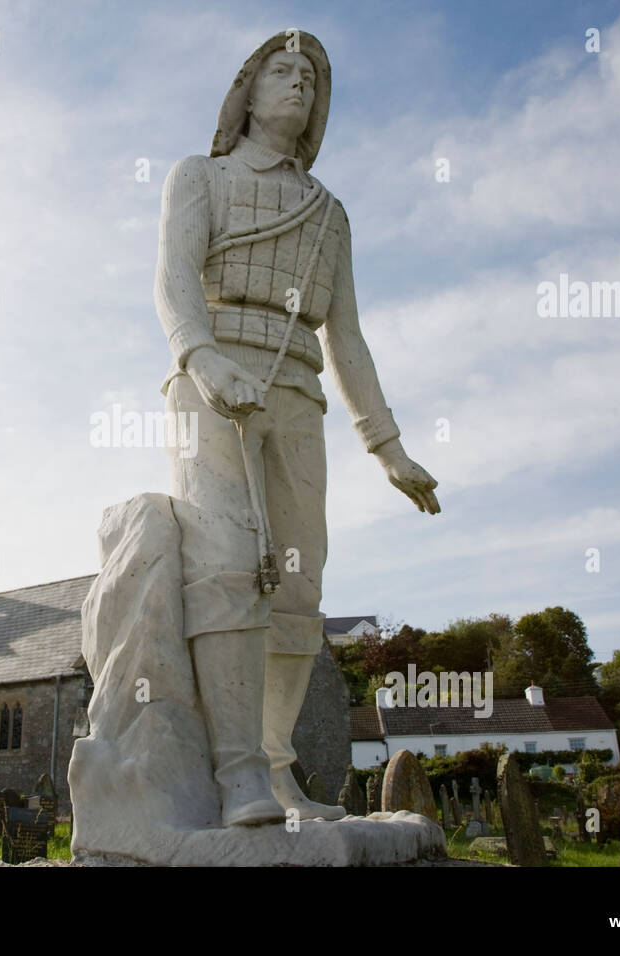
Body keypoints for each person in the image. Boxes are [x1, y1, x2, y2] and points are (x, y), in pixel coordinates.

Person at [154, 30, 440, 826]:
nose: (298, 85)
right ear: (246, 91)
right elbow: (173, 277)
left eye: (310, 77)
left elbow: (345, 335)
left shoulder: (329, 214)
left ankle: (276, 770)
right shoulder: (197, 176)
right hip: (210, 381)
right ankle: (235, 772)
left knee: (299, 584)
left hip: (297, 392)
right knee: (223, 563)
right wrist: (203, 361)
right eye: (281, 71)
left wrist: (388, 446)